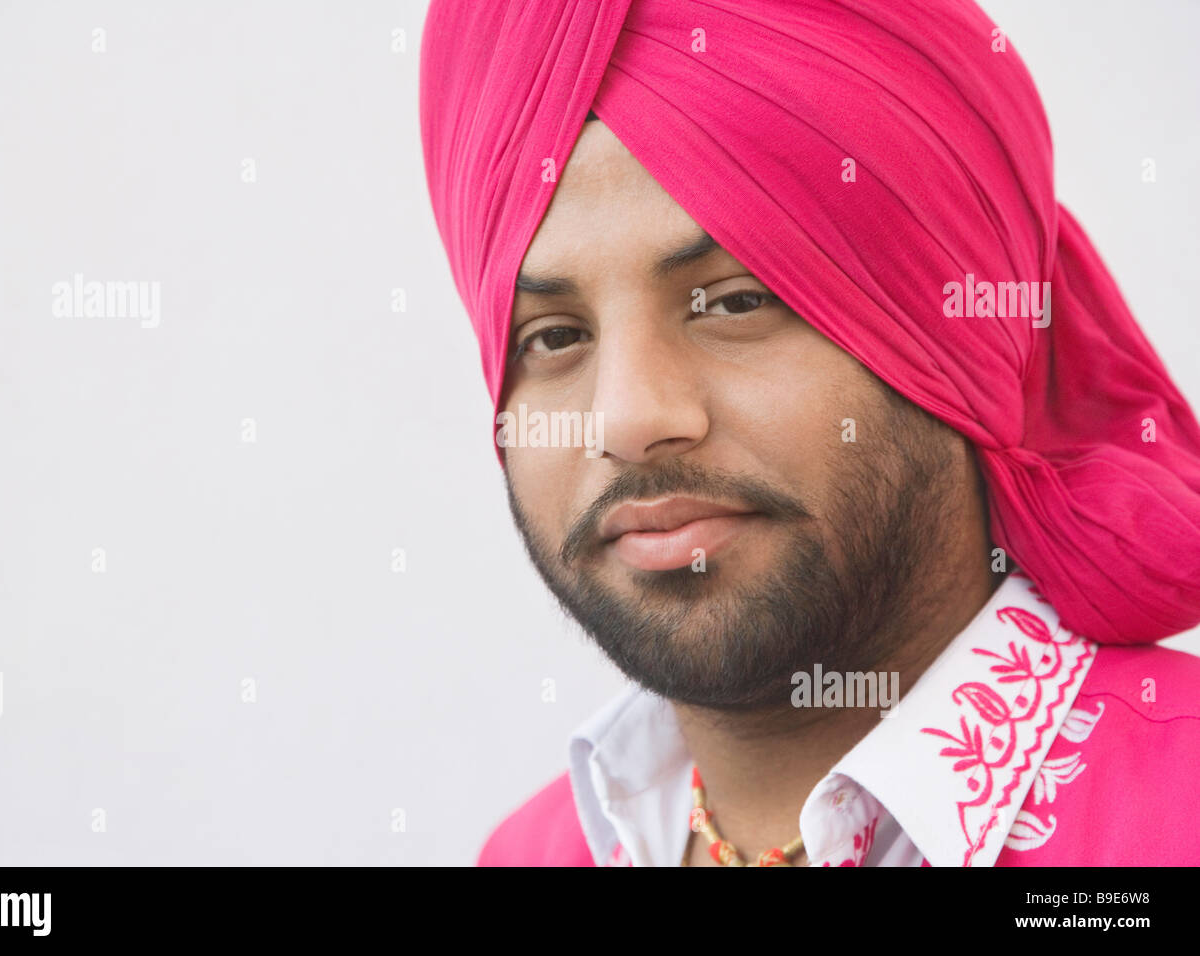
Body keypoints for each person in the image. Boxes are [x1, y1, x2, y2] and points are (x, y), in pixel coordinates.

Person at [418, 0, 1200, 866]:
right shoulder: (530, 852)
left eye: (735, 303)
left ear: (956, 343)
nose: (628, 420)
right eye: (554, 336)